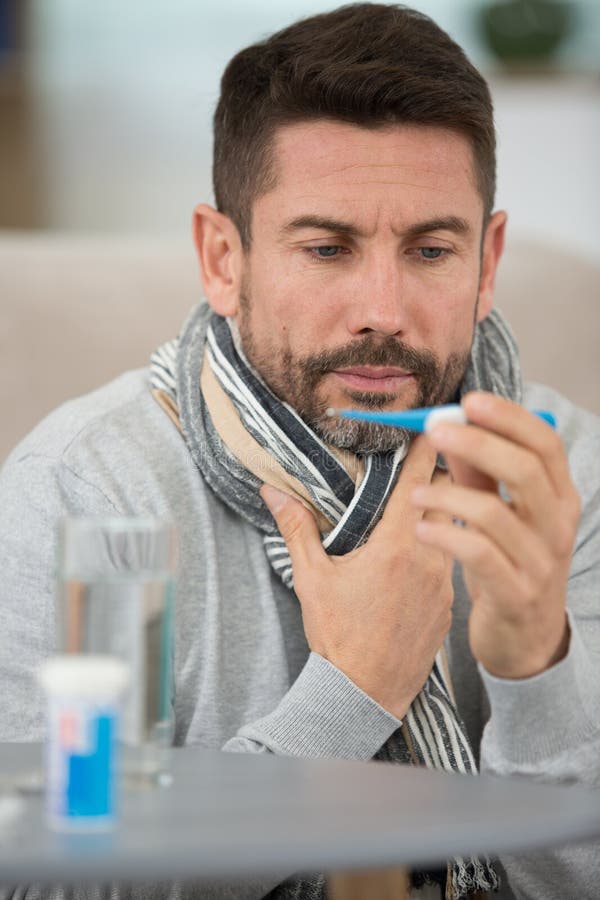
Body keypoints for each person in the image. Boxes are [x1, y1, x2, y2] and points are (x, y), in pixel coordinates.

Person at [1, 3, 599, 899]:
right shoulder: (82, 492)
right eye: (326, 248)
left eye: (431, 250)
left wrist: (533, 667)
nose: (383, 311)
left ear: (487, 263)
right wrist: (350, 693)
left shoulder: (569, 474)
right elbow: (47, 888)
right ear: (222, 259)